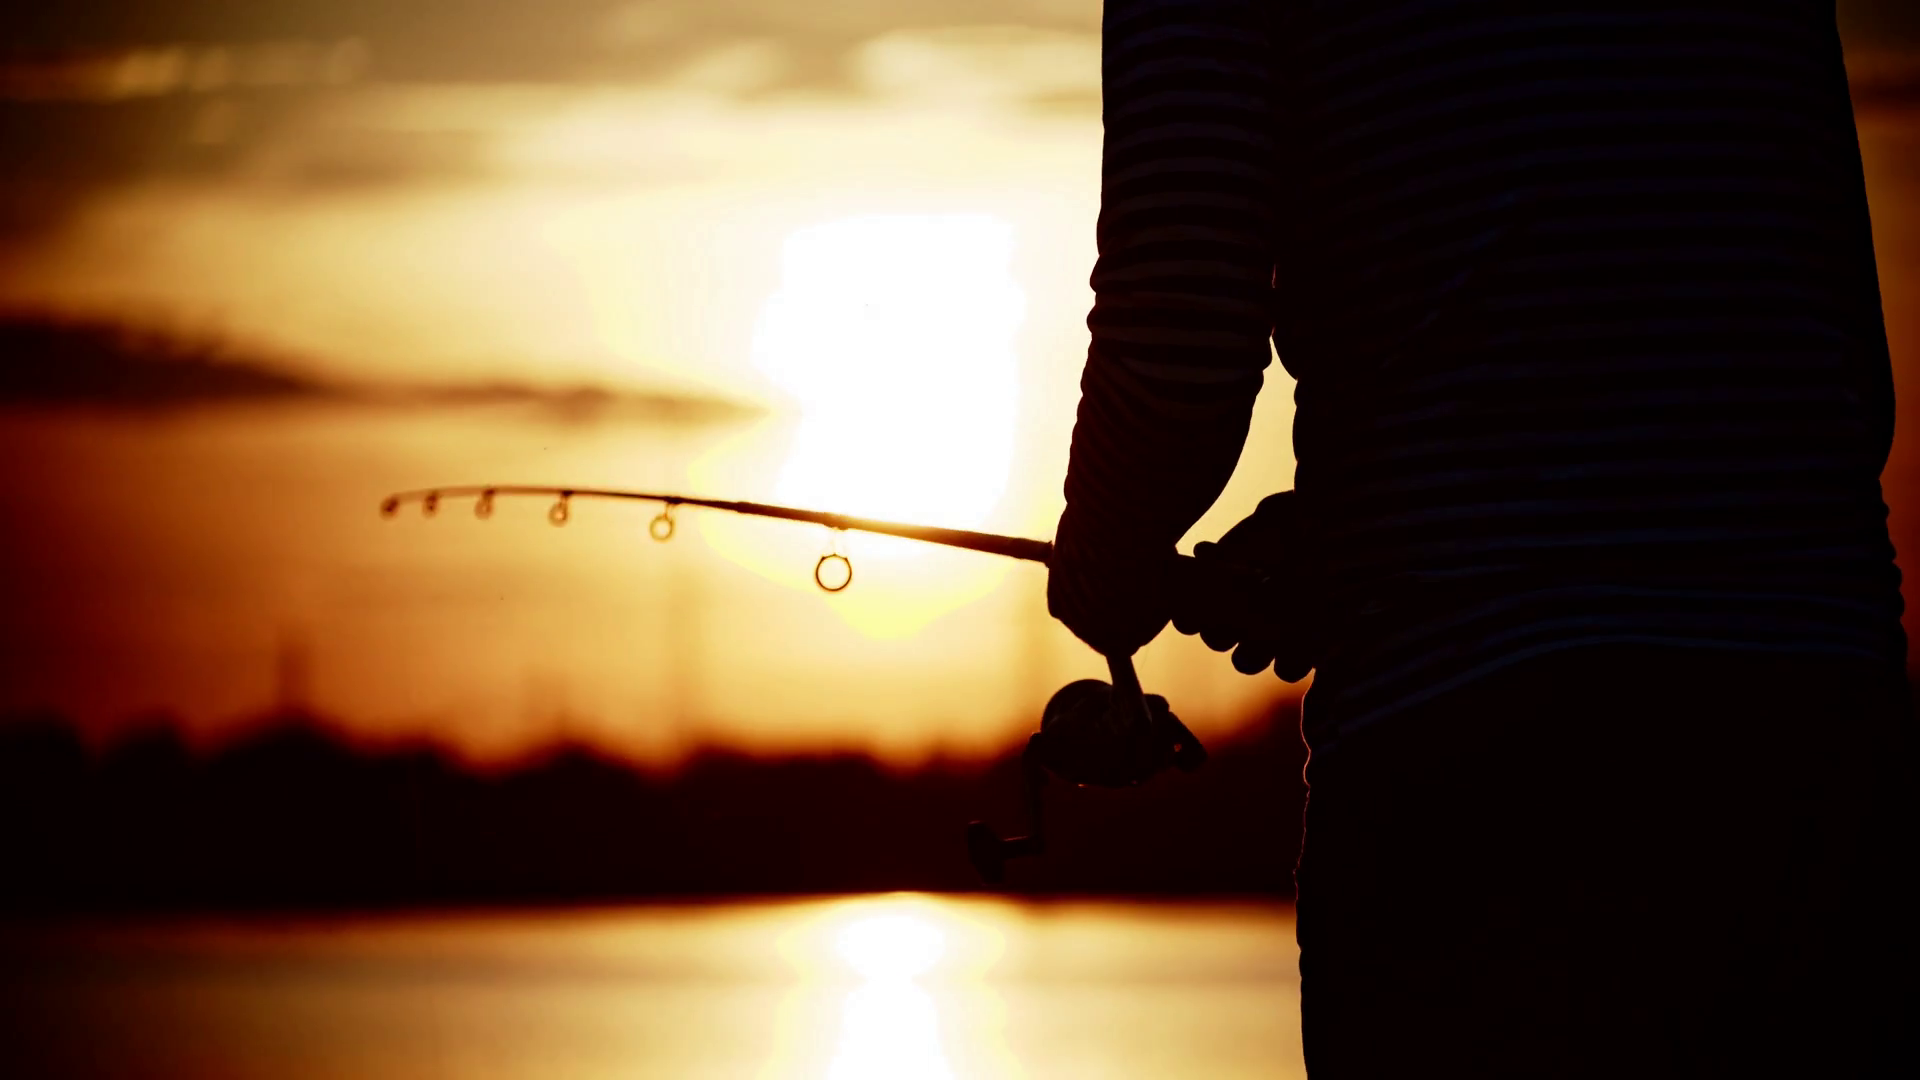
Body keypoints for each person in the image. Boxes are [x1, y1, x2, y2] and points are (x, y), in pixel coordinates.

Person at [1046, 2, 1916, 1076]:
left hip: (1485, 784)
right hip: (1819, 746)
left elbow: (1179, 328)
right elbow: (1848, 375)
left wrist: (1107, 555)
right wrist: (1362, 515)